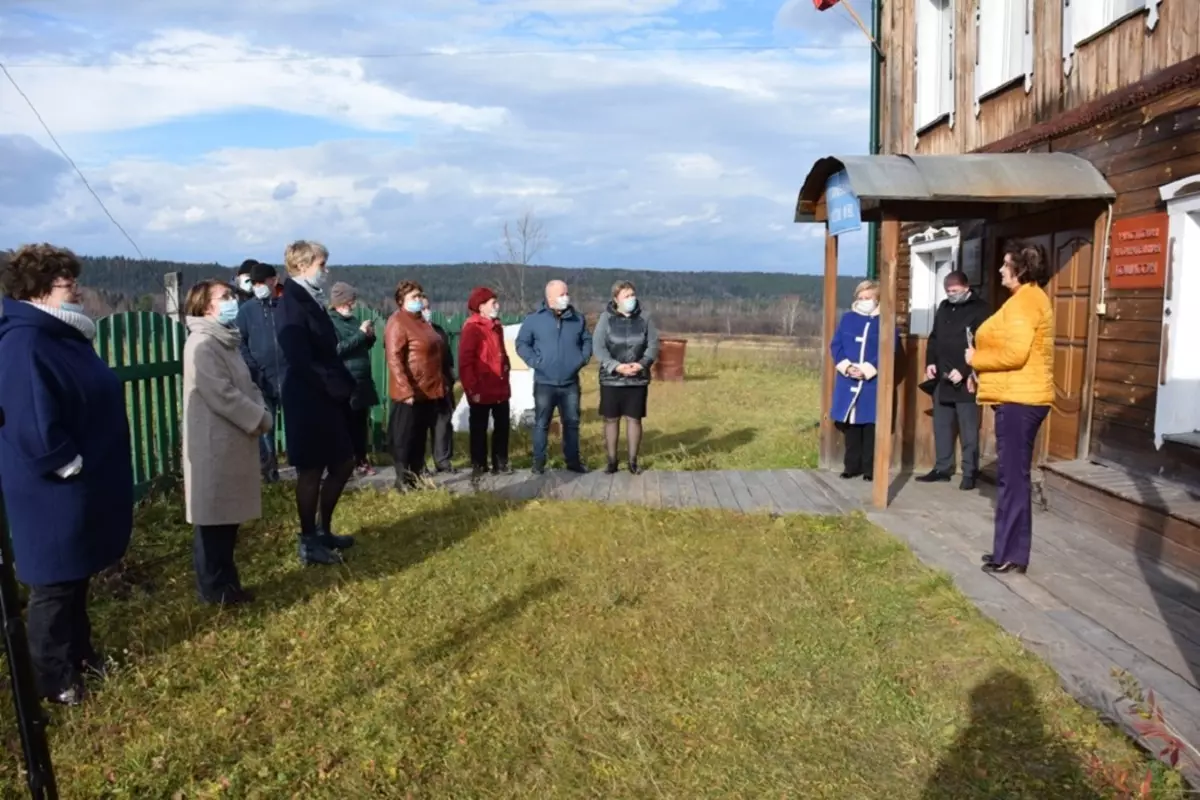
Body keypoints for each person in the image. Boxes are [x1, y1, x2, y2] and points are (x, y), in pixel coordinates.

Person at [0, 244, 132, 705]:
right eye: (66, 282)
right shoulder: (25, 340)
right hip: (51, 485)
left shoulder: (62, 334)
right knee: (53, 583)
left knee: (75, 574)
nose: (76, 288)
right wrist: (64, 461)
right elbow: (26, 415)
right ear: (37, 290)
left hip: (78, 478)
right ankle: (52, 679)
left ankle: (80, 654)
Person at [182, 279, 272, 605]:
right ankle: (214, 590)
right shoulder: (202, 344)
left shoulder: (224, 341)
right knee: (212, 522)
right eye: (224, 297)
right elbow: (222, 394)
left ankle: (228, 584)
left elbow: (247, 384)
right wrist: (259, 417)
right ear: (206, 307)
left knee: (226, 521)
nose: (232, 300)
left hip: (232, 441)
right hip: (213, 447)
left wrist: (259, 405)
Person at [967, 242, 1054, 575]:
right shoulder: (1024, 300)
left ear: (1021, 269)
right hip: (1017, 397)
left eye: (1006, 265)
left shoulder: (1027, 302)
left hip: (1021, 401)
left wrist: (977, 360)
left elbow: (1015, 354)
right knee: (1010, 478)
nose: (1001, 270)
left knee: (1013, 480)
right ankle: (1006, 550)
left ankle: (1013, 556)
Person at [276, 240, 357, 564]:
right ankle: (309, 540)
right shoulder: (292, 303)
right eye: (322, 265)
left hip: (325, 396)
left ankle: (324, 529)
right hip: (308, 397)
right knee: (311, 470)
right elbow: (299, 358)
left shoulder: (312, 298)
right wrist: (333, 385)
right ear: (302, 265)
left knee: (343, 463)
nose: (326, 271)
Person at [917, 270, 992, 491]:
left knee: (968, 429)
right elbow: (935, 337)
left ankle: (970, 472)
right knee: (942, 426)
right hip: (942, 376)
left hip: (966, 378)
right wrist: (930, 362)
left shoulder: (982, 309)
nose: (951, 295)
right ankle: (942, 468)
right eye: (948, 291)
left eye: (955, 291)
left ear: (966, 288)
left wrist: (966, 370)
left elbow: (984, 344)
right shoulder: (943, 306)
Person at [516, 280, 592, 474]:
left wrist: (580, 360)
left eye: (566, 293)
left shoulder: (577, 319)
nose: (566, 297)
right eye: (561, 294)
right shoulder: (534, 320)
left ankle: (573, 462)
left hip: (570, 383)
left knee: (572, 423)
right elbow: (522, 343)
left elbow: (587, 341)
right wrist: (536, 362)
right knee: (541, 424)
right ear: (549, 297)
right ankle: (538, 463)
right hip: (544, 383)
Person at [384, 280, 447, 489]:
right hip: (409, 391)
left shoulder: (422, 322)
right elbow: (394, 358)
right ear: (401, 301)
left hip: (428, 389)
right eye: (413, 297)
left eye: (420, 296)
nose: (418, 300)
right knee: (404, 437)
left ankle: (417, 475)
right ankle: (402, 480)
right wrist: (404, 390)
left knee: (419, 436)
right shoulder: (398, 322)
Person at [593, 280, 659, 474]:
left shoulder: (645, 318)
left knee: (634, 419)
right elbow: (599, 347)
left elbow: (653, 345)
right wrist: (616, 367)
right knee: (611, 419)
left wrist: (641, 364)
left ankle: (632, 462)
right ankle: (612, 461)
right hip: (612, 378)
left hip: (637, 378)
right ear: (616, 299)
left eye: (632, 295)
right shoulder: (606, 318)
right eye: (626, 296)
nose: (631, 299)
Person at [235, 260, 287, 483]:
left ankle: (303, 468)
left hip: (288, 377)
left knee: (296, 426)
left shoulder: (286, 307)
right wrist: (253, 370)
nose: (258, 286)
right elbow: (241, 343)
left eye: (261, 282)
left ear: (274, 281)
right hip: (261, 379)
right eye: (254, 283)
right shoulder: (246, 311)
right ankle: (269, 473)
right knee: (265, 428)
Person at [830, 280, 887, 481]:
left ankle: (870, 469)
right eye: (860, 298)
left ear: (877, 299)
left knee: (869, 426)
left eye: (868, 298)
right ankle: (851, 466)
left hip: (871, 383)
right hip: (848, 381)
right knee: (852, 427)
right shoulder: (847, 319)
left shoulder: (885, 321)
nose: (863, 301)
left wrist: (867, 369)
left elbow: (890, 349)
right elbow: (836, 345)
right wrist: (847, 366)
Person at [458, 286, 512, 477]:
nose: (497, 305)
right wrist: (472, 388)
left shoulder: (496, 326)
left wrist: (506, 370)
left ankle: (501, 462)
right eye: (493, 303)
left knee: (502, 426)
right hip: (481, 386)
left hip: (499, 384)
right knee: (479, 428)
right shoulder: (473, 328)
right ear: (481, 307)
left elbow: (501, 354)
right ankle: (479, 464)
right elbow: (466, 361)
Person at [327, 282, 379, 477]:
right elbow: (337, 350)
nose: (352, 305)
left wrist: (369, 337)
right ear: (340, 302)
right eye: (349, 301)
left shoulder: (353, 320)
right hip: (345, 380)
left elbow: (360, 346)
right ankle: (344, 463)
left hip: (362, 380)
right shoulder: (331, 322)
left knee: (360, 425)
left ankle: (361, 459)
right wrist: (360, 335)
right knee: (345, 425)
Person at [422, 297, 457, 474]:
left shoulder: (438, 330)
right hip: (422, 386)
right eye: (423, 308)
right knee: (420, 426)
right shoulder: (413, 331)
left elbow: (448, 357)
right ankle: (419, 465)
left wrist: (450, 378)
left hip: (442, 384)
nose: (427, 311)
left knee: (443, 423)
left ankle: (442, 460)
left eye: (428, 307)